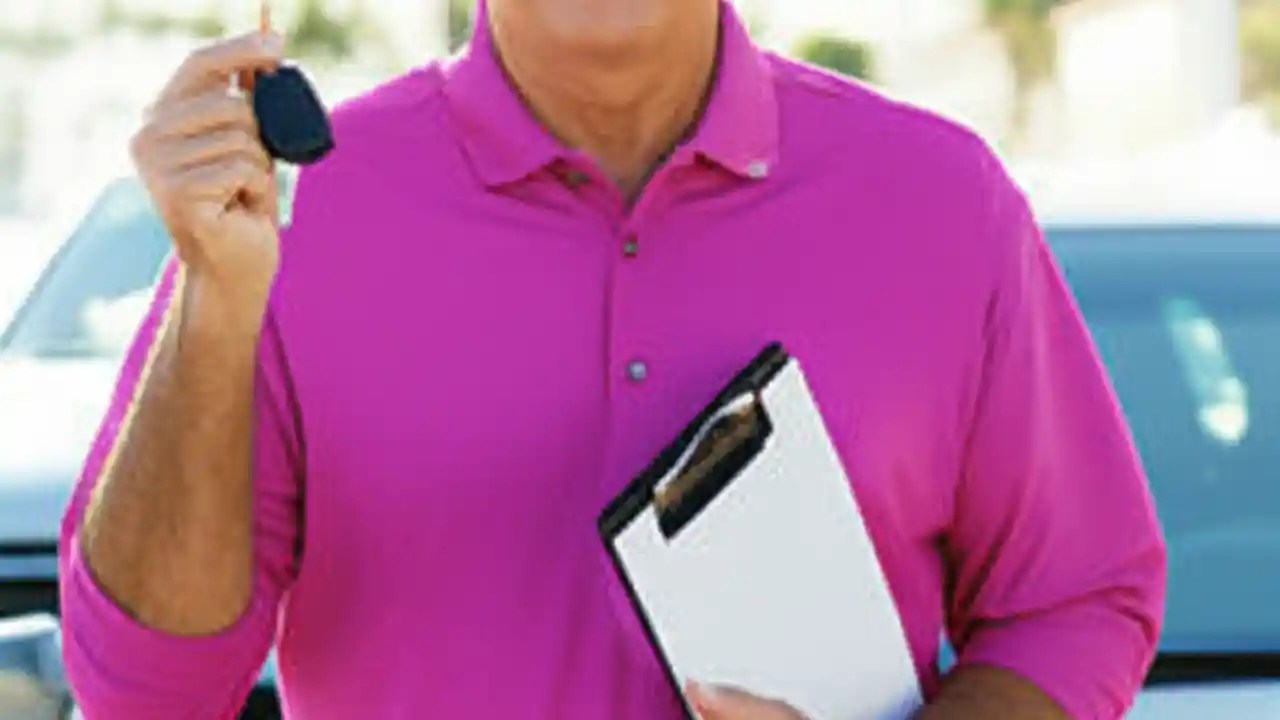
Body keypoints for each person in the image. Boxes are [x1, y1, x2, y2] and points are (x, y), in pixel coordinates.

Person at [58, 0, 1166, 718]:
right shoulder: (301, 207)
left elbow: (1071, 603)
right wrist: (212, 299)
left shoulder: (936, 202)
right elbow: (145, 696)